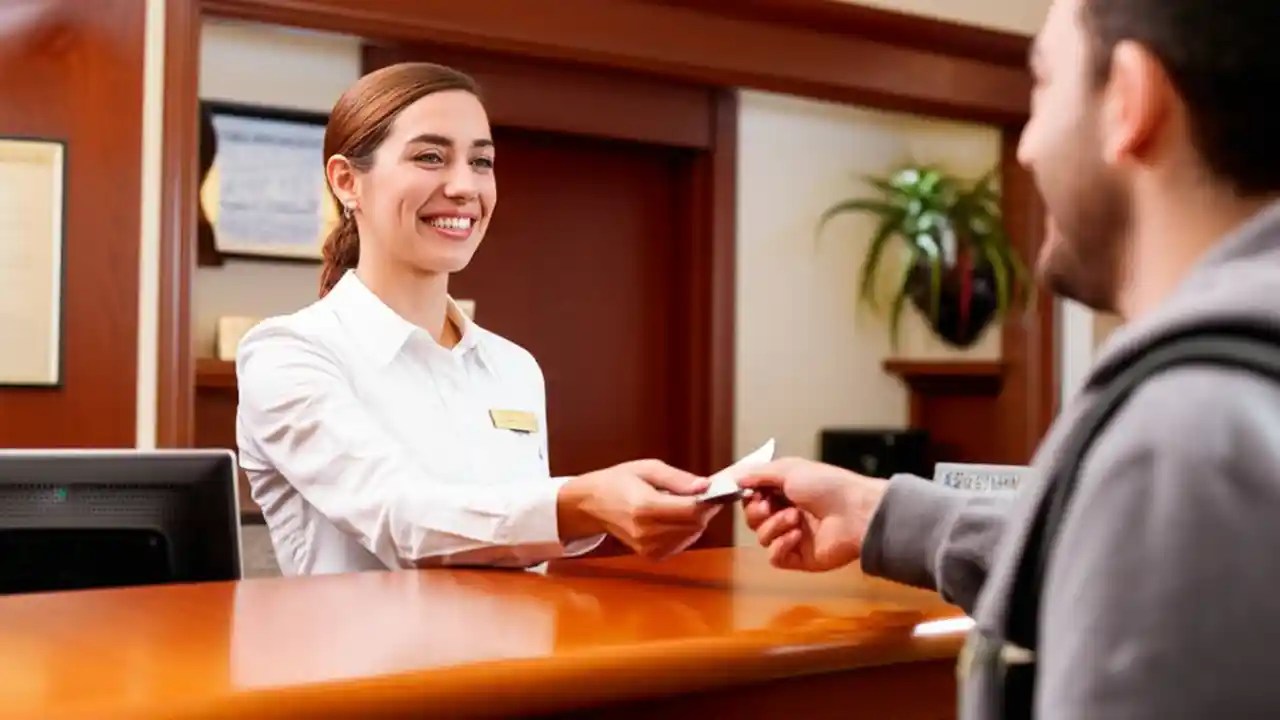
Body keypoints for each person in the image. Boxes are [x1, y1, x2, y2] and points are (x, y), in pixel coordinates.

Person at [742, 0, 1280, 717]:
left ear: (1129, 99)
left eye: (1044, 83)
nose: (1025, 147)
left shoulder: (1186, 438)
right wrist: (881, 513)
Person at [236, 62, 720, 576]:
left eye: (482, 162)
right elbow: (403, 520)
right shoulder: (287, 354)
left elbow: (517, 555)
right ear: (346, 181)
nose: (465, 187)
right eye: (430, 157)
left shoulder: (513, 367)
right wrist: (584, 504)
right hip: (361, 635)